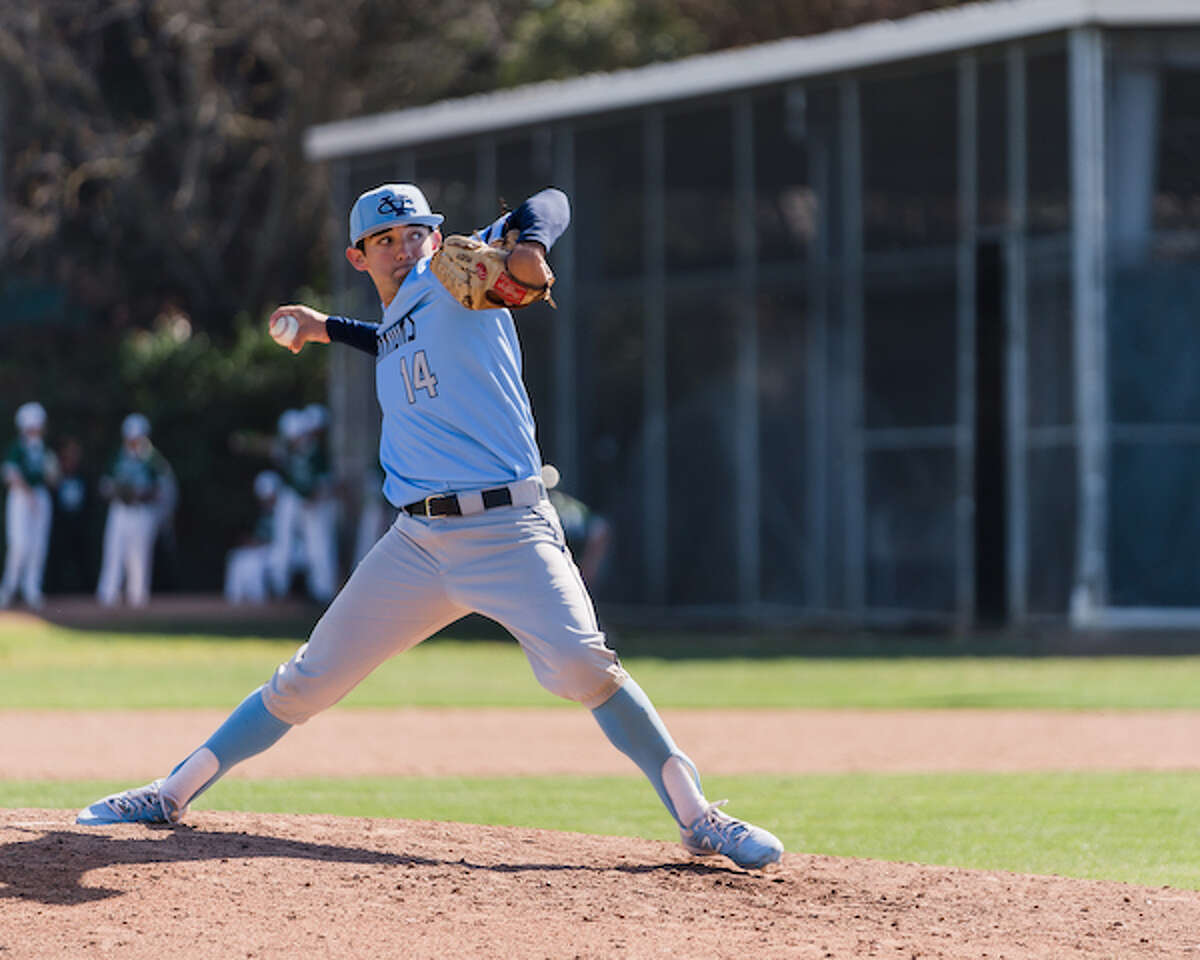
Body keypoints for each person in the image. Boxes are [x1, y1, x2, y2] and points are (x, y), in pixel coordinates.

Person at [76, 183, 782, 871]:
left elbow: (552, 201)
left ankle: (699, 819)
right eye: (383, 239)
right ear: (359, 257)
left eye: (414, 232)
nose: (401, 246)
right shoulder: (401, 317)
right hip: (417, 545)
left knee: (583, 666)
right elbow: (392, 337)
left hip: (511, 531)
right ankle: (169, 795)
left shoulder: (458, 277)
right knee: (305, 681)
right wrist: (324, 328)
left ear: (436, 238)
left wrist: (528, 240)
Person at [95, 413, 176, 608]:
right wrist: (117, 491)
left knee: (139, 556)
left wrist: (143, 494)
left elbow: (163, 487)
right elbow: (105, 484)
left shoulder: (152, 458)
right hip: (120, 509)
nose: (134, 441)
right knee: (113, 551)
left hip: (142, 511)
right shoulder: (118, 456)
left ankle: (137, 597)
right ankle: (108, 594)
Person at [1, 402, 59, 609]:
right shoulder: (16, 448)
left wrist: (52, 474)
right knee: (19, 544)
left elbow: (52, 480)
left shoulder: (45, 450)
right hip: (20, 498)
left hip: (40, 497)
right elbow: (10, 475)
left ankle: (32, 588)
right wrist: (29, 493)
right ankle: (8, 589)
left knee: (38, 545)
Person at [541, 463, 613, 589]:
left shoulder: (572, 509)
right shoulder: (577, 507)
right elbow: (602, 530)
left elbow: (600, 530)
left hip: (561, 569)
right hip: (567, 571)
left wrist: (588, 566)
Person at [224, 470, 282, 606]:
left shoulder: (285, 510)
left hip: (279, 550)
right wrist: (251, 542)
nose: (266, 501)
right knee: (237, 556)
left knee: (253, 563)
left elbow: (280, 539)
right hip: (264, 549)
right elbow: (260, 536)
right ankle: (234, 601)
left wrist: (257, 543)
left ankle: (258, 602)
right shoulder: (265, 514)